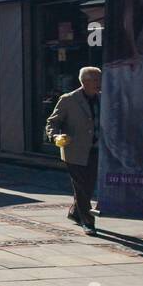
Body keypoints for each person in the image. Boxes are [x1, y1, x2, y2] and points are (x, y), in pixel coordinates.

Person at [45, 65, 102, 235]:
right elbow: (52, 122)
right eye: (95, 80)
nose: (99, 83)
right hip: (74, 150)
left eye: (100, 79)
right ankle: (88, 222)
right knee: (81, 187)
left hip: (95, 149)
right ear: (84, 82)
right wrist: (55, 137)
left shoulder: (102, 98)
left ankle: (75, 213)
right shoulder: (68, 99)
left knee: (89, 186)